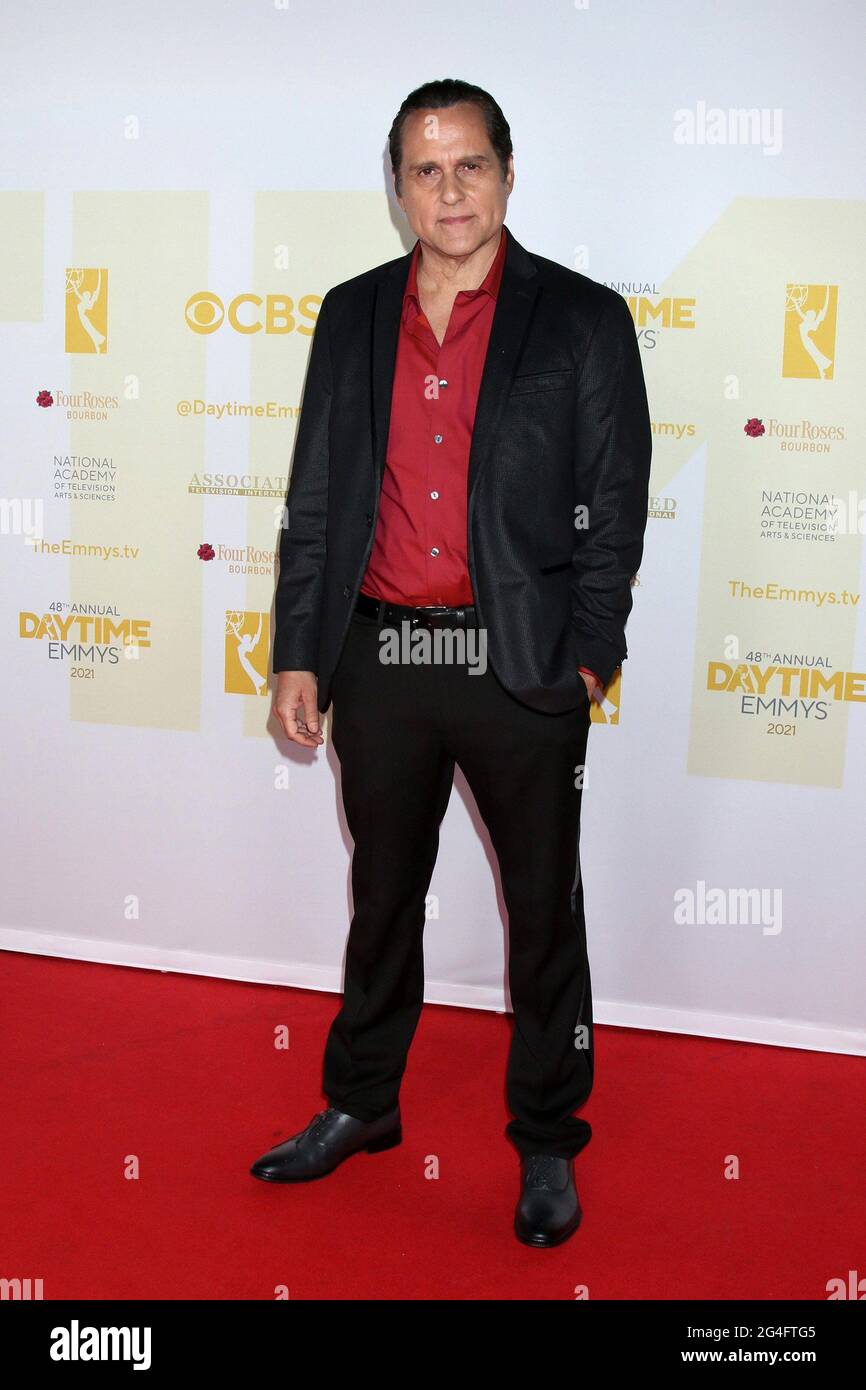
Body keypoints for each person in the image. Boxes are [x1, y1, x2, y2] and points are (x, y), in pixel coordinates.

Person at [250, 78, 652, 1247]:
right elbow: (315, 499)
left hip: (517, 664)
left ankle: (545, 1140)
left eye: (468, 164)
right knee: (381, 900)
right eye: (423, 170)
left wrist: (588, 658)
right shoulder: (351, 314)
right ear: (397, 188)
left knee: (543, 916)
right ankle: (360, 1102)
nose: (448, 189)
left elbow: (613, 507)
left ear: (507, 173)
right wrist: (298, 654)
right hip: (379, 656)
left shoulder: (577, 319)